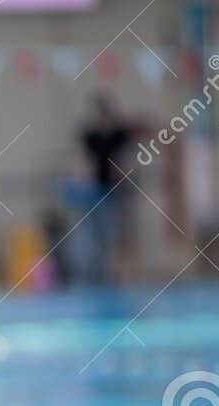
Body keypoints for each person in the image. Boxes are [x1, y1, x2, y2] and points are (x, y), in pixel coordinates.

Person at [78, 92, 132, 284]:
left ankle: (114, 271)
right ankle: (95, 272)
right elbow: (86, 164)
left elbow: (124, 161)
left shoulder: (119, 136)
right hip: (95, 190)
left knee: (113, 234)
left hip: (115, 190)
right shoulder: (91, 137)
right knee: (94, 233)